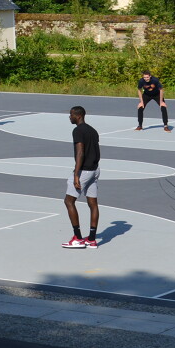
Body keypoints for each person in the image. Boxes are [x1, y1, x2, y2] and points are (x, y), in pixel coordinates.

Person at [62, 106, 101, 248]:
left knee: (69, 201)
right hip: (95, 169)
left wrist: (76, 174)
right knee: (93, 204)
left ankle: (77, 238)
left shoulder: (78, 130)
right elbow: (97, 152)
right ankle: (91, 239)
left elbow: (80, 153)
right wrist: (94, 169)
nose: (69, 117)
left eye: (71, 114)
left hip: (84, 171)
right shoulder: (92, 130)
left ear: (78, 116)